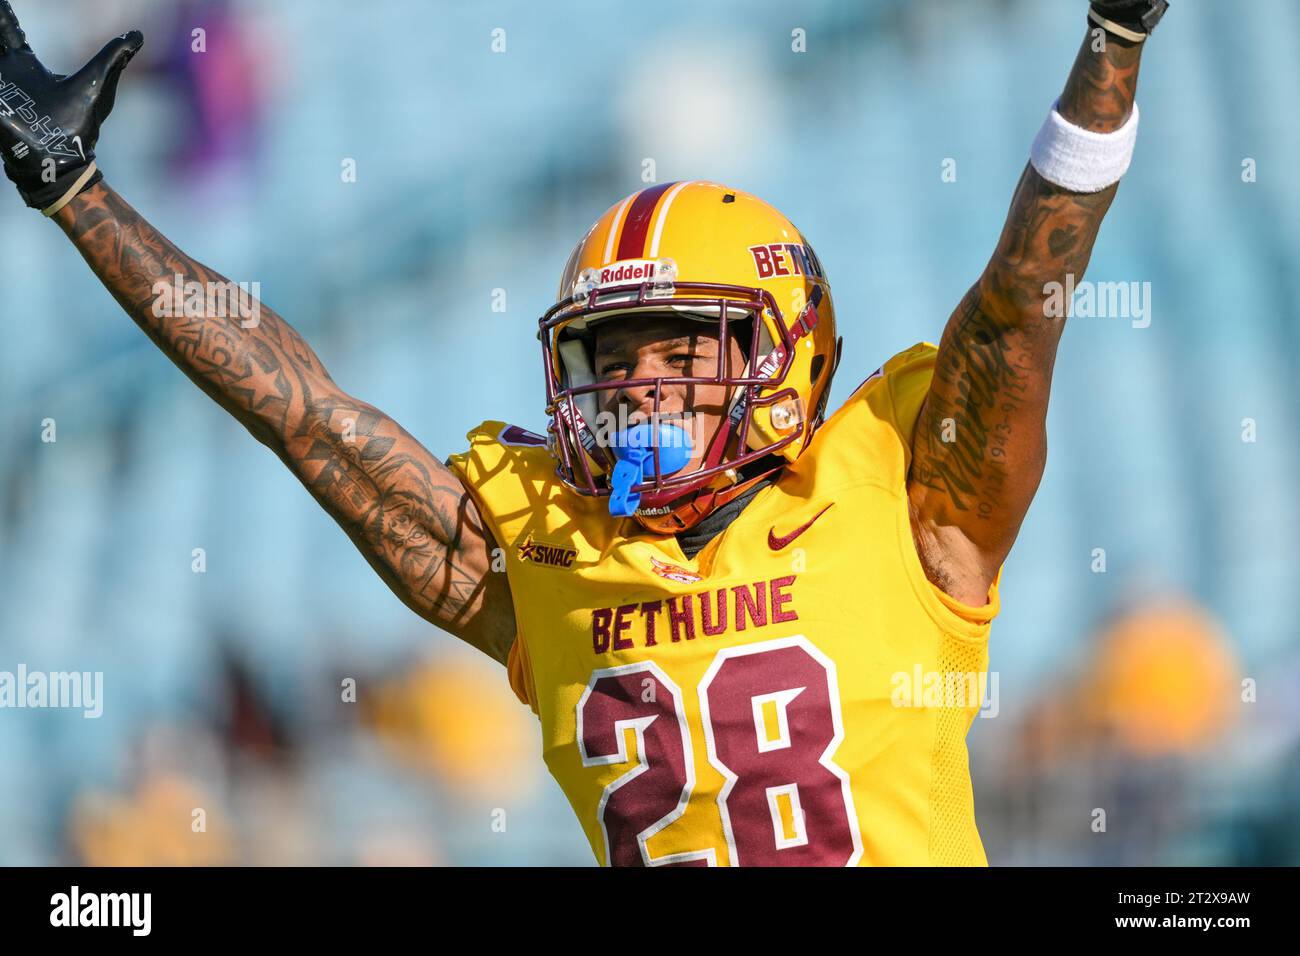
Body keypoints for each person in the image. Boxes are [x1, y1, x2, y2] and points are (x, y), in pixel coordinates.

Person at [0, 0, 1169, 865]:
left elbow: (1020, 303)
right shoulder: (547, 555)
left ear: (783, 354)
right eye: (614, 359)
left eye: (680, 352)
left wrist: (1109, 41)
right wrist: (76, 195)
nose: (642, 387)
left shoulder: (906, 503)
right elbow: (303, 415)